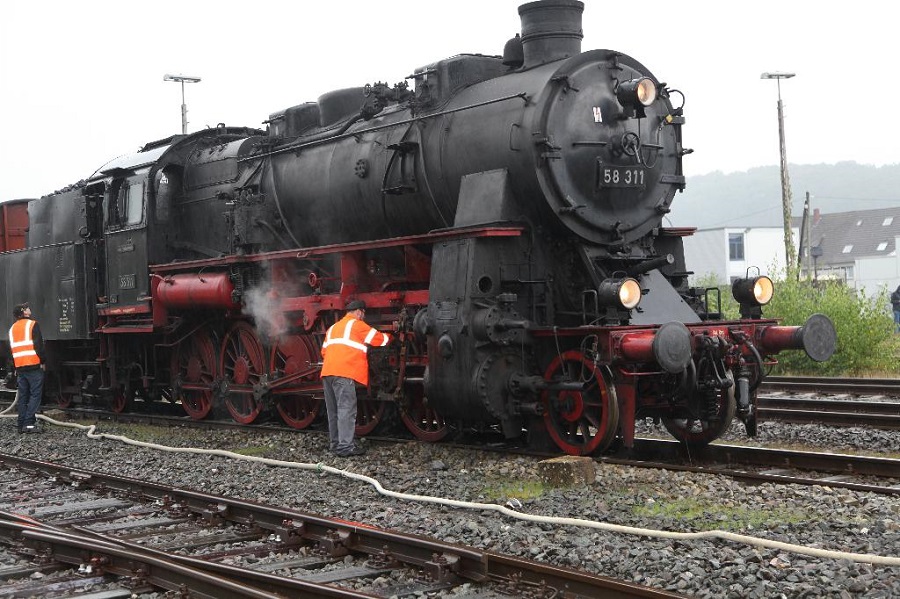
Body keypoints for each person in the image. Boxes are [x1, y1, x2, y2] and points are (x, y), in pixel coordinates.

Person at [320, 300, 392, 456]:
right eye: (363, 314)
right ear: (359, 312)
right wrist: (392, 335)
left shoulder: (332, 328)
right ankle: (345, 447)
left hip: (327, 373)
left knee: (333, 411)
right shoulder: (357, 325)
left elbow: (324, 352)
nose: (363, 317)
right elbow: (379, 339)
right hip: (344, 373)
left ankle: (335, 444)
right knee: (346, 410)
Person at [8, 302, 46, 433]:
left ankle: (21, 424)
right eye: (27, 308)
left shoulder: (12, 328)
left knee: (23, 396)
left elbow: (12, 350)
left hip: (20, 367)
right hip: (33, 365)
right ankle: (29, 424)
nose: (29, 309)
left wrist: (14, 367)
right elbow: (39, 346)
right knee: (35, 395)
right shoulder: (33, 324)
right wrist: (43, 361)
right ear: (23, 312)